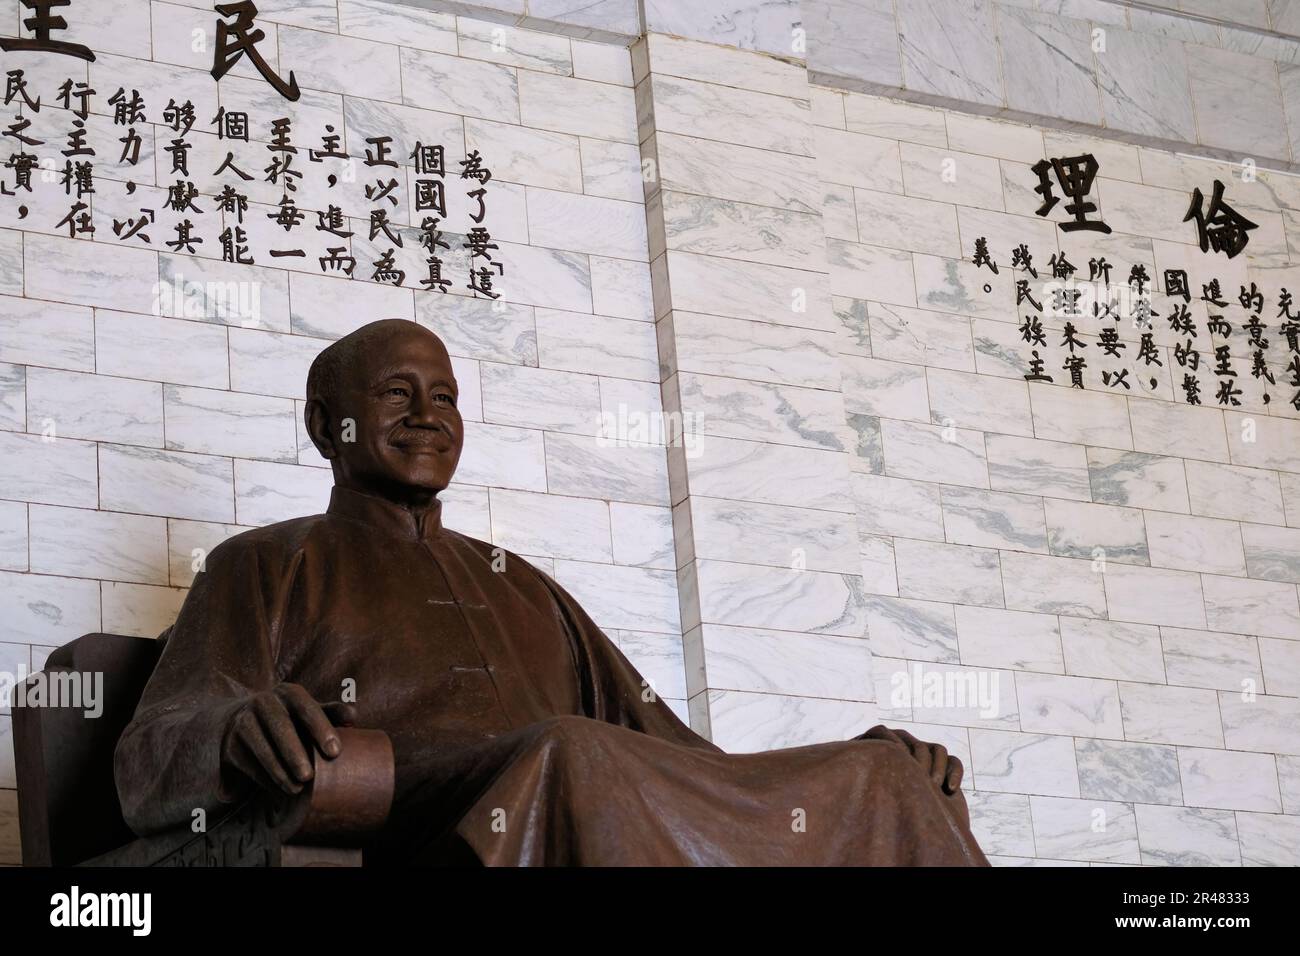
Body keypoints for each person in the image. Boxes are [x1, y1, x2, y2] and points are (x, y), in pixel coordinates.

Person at [113, 318, 989, 866]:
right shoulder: (265, 562)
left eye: (446, 397)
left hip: (578, 789)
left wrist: (840, 765)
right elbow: (148, 759)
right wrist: (233, 732)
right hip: (413, 820)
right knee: (577, 751)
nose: (429, 415)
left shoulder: (524, 586)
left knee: (883, 774)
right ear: (323, 424)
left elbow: (684, 763)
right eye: (396, 393)